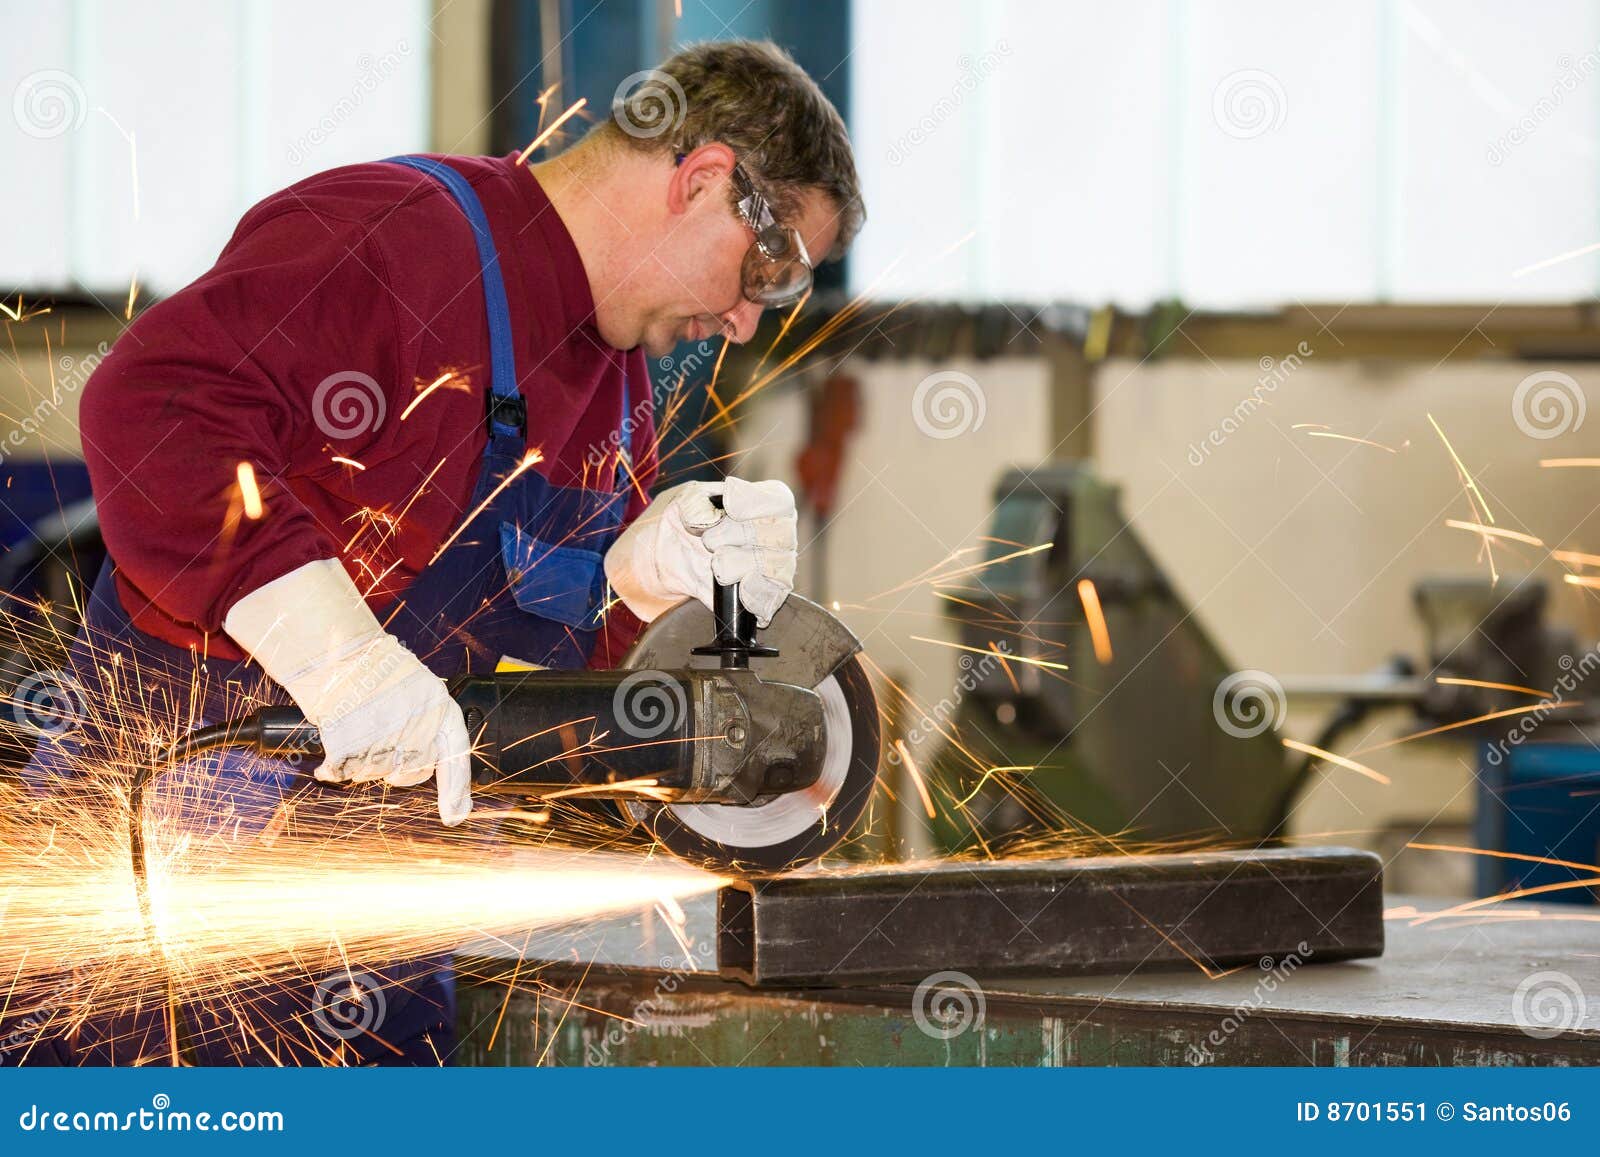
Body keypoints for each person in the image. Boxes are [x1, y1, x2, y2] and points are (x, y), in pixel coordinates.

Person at [19, 39, 863, 1065]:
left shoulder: (624, 383)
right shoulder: (394, 237)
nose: (740, 321)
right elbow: (156, 406)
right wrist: (336, 658)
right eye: (764, 275)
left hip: (385, 945)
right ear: (705, 180)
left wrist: (636, 597)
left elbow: (526, 679)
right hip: (164, 914)